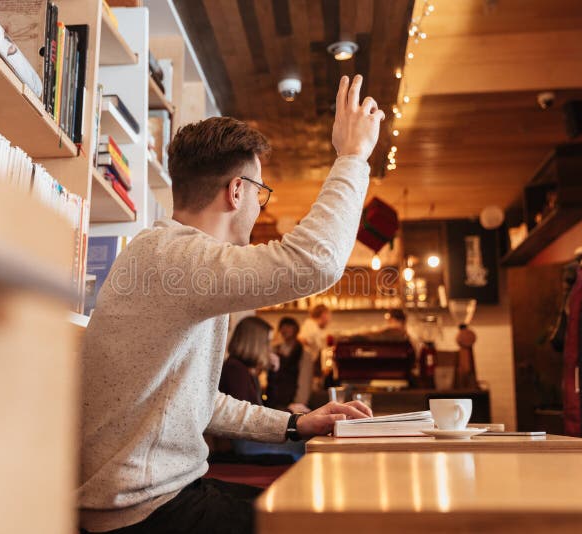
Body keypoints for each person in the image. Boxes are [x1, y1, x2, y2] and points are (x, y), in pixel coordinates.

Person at [78, 74, 383, 534]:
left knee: (319, 509)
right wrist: (353, 156)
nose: (260, 208)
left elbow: (197, 402)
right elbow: (316, 262)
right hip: (145, 515)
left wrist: (295, 426)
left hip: (166, 498)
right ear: (237, 191)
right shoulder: (174, 258)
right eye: (260, 193)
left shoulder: (169, 258)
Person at [218, 316, 305, 461]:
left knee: (305, 443)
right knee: (305, 446)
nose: (269, 348)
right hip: (245, 444)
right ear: (255, 343)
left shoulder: (245, 369)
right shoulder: (235, 369)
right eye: (267, 342)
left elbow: (268, 406)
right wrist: (290, 411)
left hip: (252, 439)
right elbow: (249, 418)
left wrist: (273, 374)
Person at [265, 317, 310, 413]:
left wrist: (298, 404)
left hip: (293, 404)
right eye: (283, 326)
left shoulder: (304, 353)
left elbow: (304, 382)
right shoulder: (275, 349)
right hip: (273, 402)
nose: (285, 329)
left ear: (296, 330)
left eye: (289, 326)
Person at [298, 303, 332, 388]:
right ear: (323, 315)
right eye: (329, 316)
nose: (329, 320)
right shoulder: (311, 326)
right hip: (305, 369)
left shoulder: (313, 326)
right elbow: (301, 340)